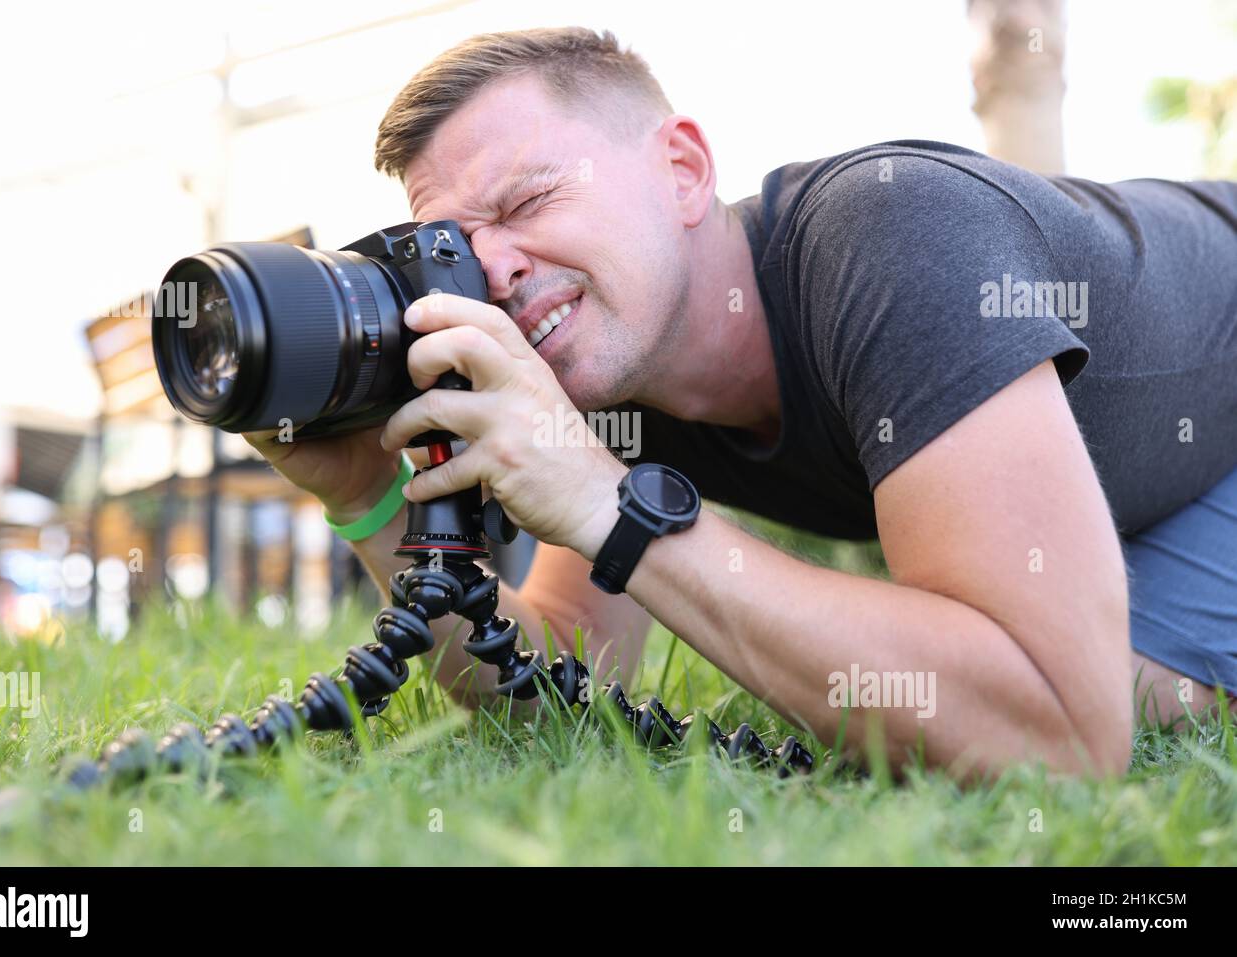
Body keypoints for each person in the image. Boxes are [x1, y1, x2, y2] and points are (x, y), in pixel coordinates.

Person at [247, 27, 1237, 779]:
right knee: (1046, 676)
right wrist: (372, 499)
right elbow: (557, 685)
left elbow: (1062, 736)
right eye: (455, 244)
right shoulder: (601, 359)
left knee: (1088, 689)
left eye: (527, 203)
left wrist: (605, 505)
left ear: (682, 170)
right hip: (1145, 486)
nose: (492, 270)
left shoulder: (894, 240)